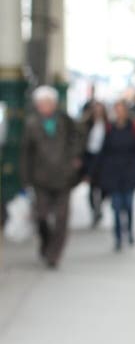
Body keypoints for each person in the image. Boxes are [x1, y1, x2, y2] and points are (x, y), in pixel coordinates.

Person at [20, 85, 82, 268]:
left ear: (54, 104)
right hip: (41, 178)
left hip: (63, 178)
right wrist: (25, 179)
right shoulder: (32, 124)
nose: (44, 106)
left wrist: (74, 158)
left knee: (62, 218)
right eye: (41, 103)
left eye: (48, 103)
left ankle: (54, 254)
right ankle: (46, 243)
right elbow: (26, 153)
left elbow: (79, 136)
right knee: (42, 216)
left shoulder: (65, 120)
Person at [99, 100, 135, 251]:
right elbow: (104, 152)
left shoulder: (134, 129)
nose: (118, 113)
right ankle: (118, 236)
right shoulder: (109, 129)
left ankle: (130, 231)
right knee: (117, 207)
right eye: (116, 109)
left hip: (129, 173)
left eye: (121, 109)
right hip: (114, 174)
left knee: (129, 205)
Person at [80, 101, 108, 227]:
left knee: (104, 187)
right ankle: (95, 210)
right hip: (90, 157)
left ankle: (99, 205)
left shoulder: (107, 125)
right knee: (92, 187)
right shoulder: (86, 124)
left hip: (103, 158)